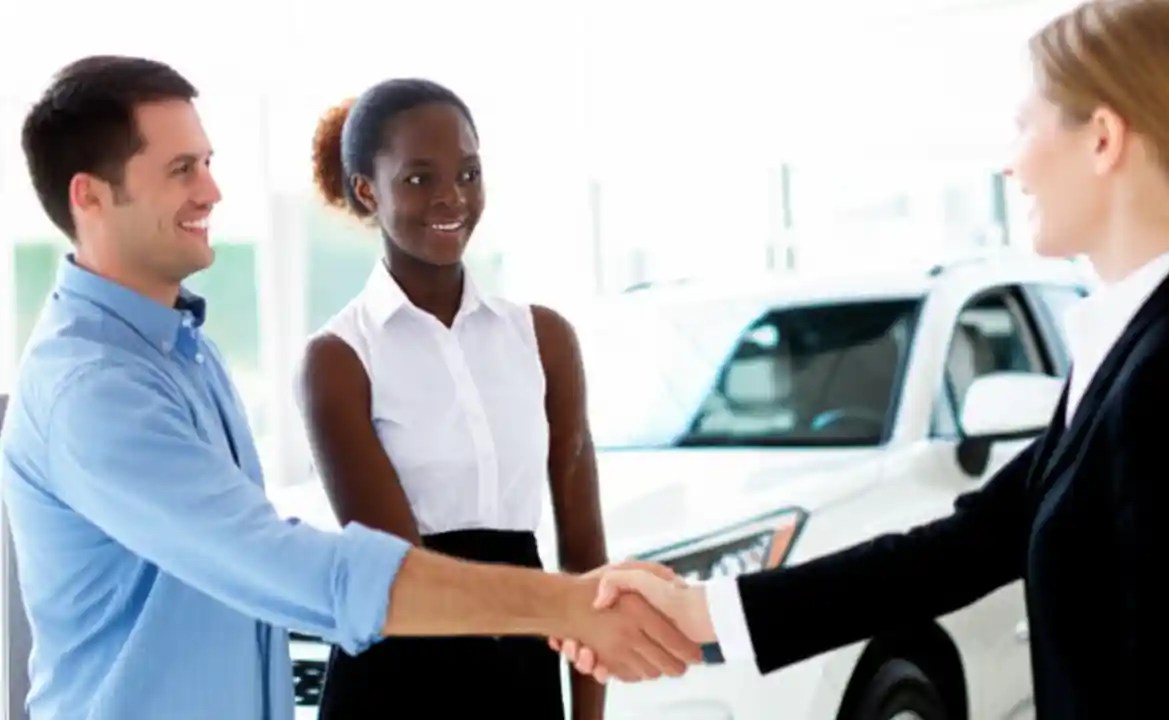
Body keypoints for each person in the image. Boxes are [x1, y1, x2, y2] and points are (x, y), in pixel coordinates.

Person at [559, 1, 1169, 716]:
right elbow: (963, 547)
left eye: (1024, 126)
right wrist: (697, 611)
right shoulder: (1145, 347)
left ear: (1102, 138)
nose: (1011, 163)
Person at [0, 55, 700, 720]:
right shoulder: (93, 391)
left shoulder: (185, 352)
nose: (212, 190)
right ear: (90, 196)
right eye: (182, 169)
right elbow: (289, 568)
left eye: (208, 163)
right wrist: (570, 606)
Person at [296, 78, 607, 719]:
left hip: (524, 674)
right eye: (418, 179)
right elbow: (405, 573)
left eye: (469, 173)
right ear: (366, 190)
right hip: (398, 679)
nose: (451, 197)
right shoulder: (339, 359)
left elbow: (586, 564)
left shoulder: (543, 339)